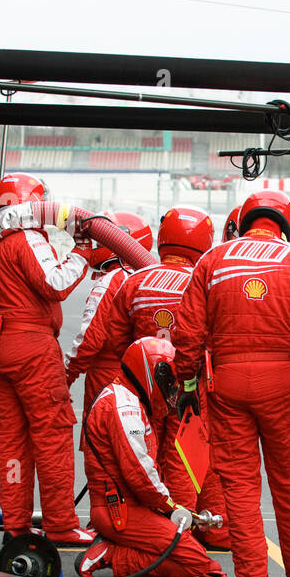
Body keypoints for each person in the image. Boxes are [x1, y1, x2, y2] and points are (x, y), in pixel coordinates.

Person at [174, 189, 290, 577]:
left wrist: (187, 383)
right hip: (281, 379)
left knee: (239, 484)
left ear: (243, 220)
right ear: (287, 224)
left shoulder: (213, 260)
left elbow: (187, 332)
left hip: (227, 382)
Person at [97, 205, 229, 552]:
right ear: (205, 242)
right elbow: (215, 337)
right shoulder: (204, 282)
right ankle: (193, 531)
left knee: (144, 456)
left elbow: (114, 340)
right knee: (190, 456)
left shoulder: (135, 282)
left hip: (144, 388)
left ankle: (153, 523)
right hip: (191, 386)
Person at [0, 172, 96, 546]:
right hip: (32, 349)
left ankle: (16, 523)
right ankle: (61, 524)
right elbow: (56, 283)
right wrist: (83, 252)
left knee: (12, 438)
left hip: (0, 348)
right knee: (53, 434)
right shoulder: (26, 238)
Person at [76, 336, 226, 577]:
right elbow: (139, 473)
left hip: (131, 506)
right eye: (168, 383)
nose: (170, 391)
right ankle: (111, 554)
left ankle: (116, 548)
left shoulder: (127, 398)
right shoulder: (125, 408)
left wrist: (169, 508)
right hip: (121, 511)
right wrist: (170, 507)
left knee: (196, 568)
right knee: (205, 568)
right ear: (151, 372)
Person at [64, 211, 154, 417]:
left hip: (108, 377)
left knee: (100, 445)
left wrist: (65, 376)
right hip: (146, 378)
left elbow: (90, 339)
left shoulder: (111, 280)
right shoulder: (151, 277)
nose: (97, 245)